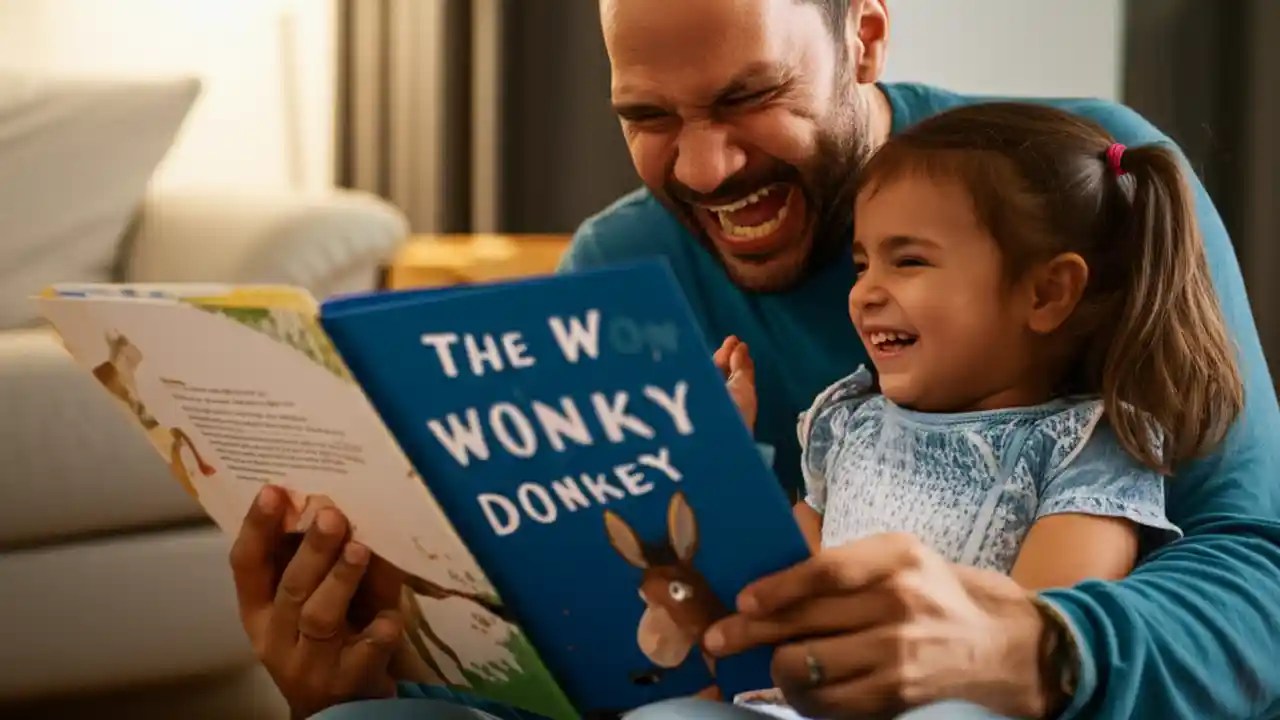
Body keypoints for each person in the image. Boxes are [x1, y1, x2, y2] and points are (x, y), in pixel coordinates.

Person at [227, 1, 1280, 718]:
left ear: (863, 35)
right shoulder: (622, 265)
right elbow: (623, 625)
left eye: (746, 97)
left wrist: (1030, 648)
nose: (701, 166)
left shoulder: (1079, 190)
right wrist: (383, 664)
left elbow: (1256, 574)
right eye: (646, 117)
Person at [706, 100, 1243, 720]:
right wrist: (725, 456)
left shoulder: (1083, 448)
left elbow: (1028, 637)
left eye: (908, 261)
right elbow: (772, 591)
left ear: (1046, 292)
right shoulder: (848, 421)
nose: (865, 291)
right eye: (862, 263)